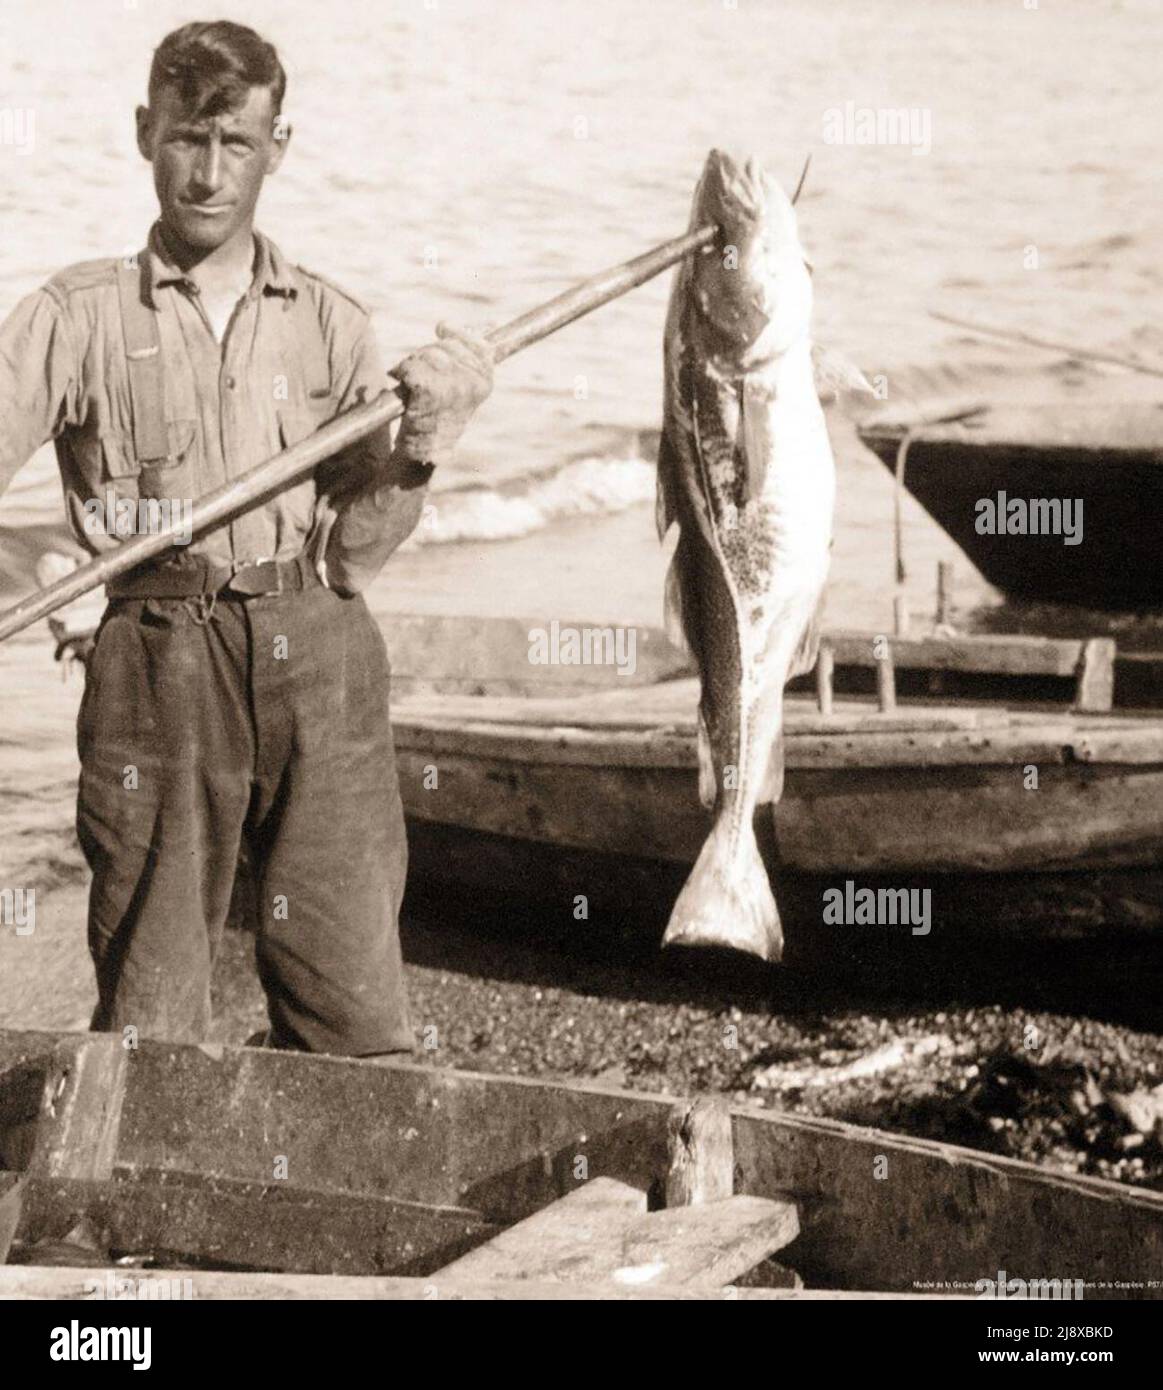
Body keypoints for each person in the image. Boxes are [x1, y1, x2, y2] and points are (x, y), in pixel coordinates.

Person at [0, 20, 494, 1055]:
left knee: (353, 1012)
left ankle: (351, 1154)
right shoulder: (72, 316)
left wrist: (421, 450)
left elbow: (353, 558)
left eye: (236, 143)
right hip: (157, 669)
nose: (209, 174)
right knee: (152, 1018)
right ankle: (127, 1161)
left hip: (320, 659)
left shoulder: (331, 324)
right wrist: (37, 568)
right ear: (145, 131)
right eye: (188, 137)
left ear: (280, 145)